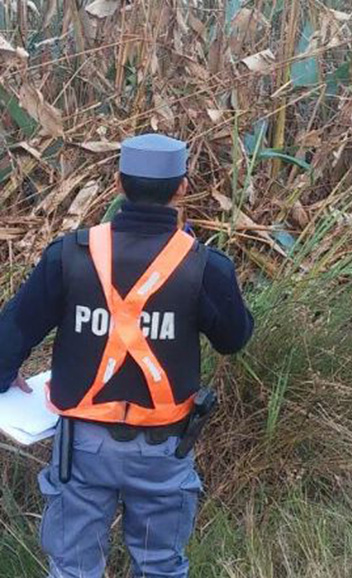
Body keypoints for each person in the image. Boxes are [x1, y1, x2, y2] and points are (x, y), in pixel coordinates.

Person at [0, 134, 254, 577]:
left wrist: (4, 376)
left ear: (118, 183)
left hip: (81, 445)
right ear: (181, 187)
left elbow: (13, 332)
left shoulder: (70, 254)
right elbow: (233, 339)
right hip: (164, 448)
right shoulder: (205, 266)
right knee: (159, 566)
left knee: (74, 567)